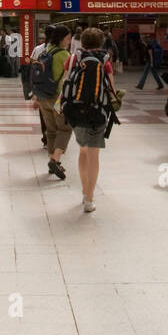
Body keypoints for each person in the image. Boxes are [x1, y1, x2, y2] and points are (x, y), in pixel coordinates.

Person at [61, 27, 117, 211]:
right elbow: (111, 90)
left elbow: (66, 82)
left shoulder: (73, 58)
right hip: (97, 113)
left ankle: (84, 189)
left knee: (83, 151)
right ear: (101, 43)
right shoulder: (105, 61)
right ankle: (89, 199)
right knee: (94, 154)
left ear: (82, 42)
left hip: (77, 112)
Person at [31, 24, 73, 180]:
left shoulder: (45, 50)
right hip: (57, 97)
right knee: (65, 128)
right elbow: (69, 77)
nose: (69, 42)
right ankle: (55, 160)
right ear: (62, 39)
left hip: (42, 96)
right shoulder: (64, 54)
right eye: (68, 39)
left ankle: (52, 160)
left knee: (51, 129)